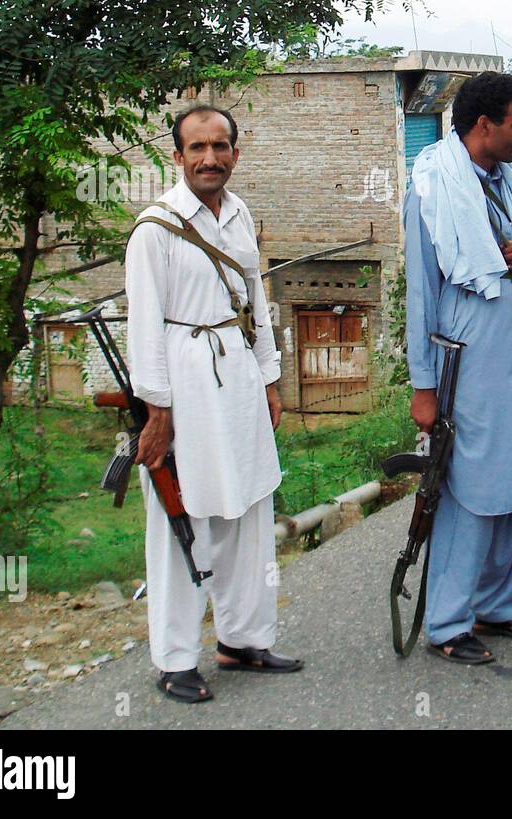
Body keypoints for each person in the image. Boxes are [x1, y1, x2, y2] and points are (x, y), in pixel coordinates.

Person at [126, 105, 301, 703]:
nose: (210, 158)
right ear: (177, 156)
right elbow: (145, 326)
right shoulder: (156, 227)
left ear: (234, 151)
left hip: (238, 376)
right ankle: (176, 659)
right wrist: (156, 411)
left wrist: (270, 378)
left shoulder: (241, 213)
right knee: (184, 518)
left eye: (220, 146)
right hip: (186, 381)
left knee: (247, 510)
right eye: (197, 148)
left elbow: (255, 299)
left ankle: (242, 639)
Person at [403, 71, 512, 664]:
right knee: (467, 486)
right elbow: (422, 293)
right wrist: (423, 386)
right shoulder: (433, 188)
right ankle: (448, 622)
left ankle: (500, 605)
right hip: (462, 360)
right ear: (485, 125)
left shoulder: (509, 183)